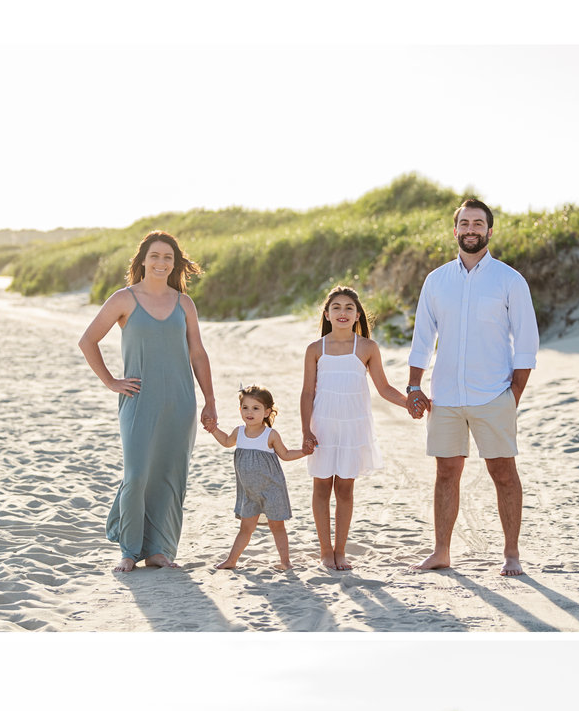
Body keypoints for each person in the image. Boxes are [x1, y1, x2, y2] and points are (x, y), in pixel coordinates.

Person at [402, 198, 540, 576]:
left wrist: (513, 395)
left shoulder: (509, 280)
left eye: (478, 224)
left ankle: (511, 553)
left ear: (490, 231)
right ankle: (441, 551)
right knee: (446, 473)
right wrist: (414, 385)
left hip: (493, 394)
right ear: (455, 230)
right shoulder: (437, 280)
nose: (471, 230)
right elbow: (422, 339)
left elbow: (526, 343)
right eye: (465, 223)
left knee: (503, 473)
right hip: (444, 396)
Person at [79, 232, 221, 572]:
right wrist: (111, 381)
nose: (161, 263)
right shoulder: (124, 299)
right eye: (155, 256)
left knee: (171, 474)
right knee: (138, 473)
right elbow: (88, 341)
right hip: (139, 400)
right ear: (142, 259)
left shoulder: (184, 303)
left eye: (168, 258)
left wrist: (210, 400)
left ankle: (160, 549)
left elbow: (198, 354)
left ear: (175, 263)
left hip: (181, 400)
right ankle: (129, 550)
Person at [298, 286, 409, 572]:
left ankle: (340, 551)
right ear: (327, 314)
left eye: (349, 307)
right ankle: (325, 551)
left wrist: (410, 404)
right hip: (322, 425)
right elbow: (307, 393)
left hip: (353, 426)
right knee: (321, 486)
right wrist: (306, 431)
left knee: (345, 489)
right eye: (336, 307)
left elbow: (383, 388)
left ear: (358, 314)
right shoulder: (315, 349)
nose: (343, 312)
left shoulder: (367, 348)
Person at [204, 385, 314, 571]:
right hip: (249, 492)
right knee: (246, 528)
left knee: (277, 527)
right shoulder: (239, 433)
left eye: (256, 408)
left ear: (267, 412)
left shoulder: (270, 435)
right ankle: (231, 560)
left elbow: (285, 454)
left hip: (272, 489)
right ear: (240, 410)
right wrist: (214, 429)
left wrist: (304, 452)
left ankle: (286, 562)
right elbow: (226, 442)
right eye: (245, 408)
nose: (250, 412)